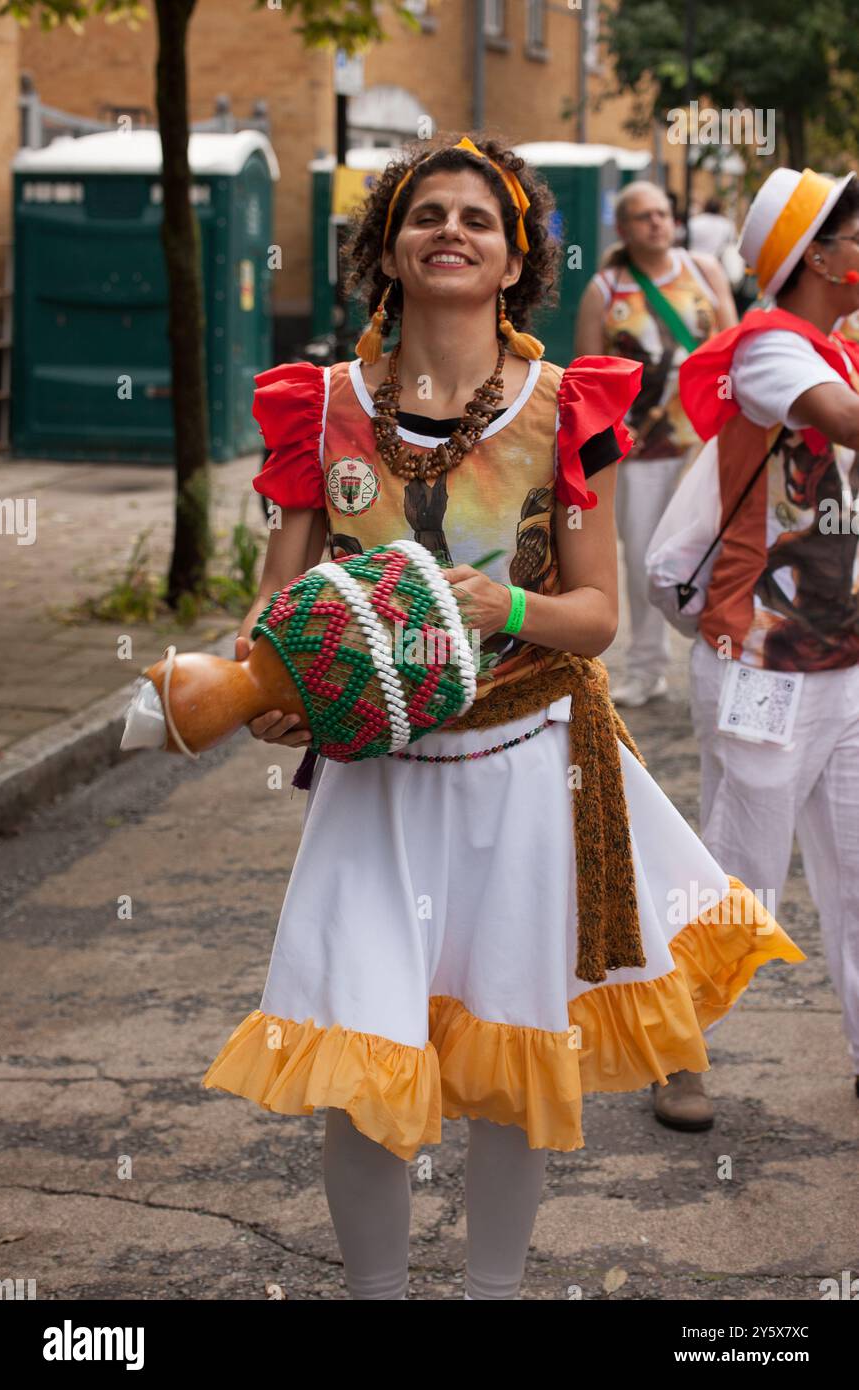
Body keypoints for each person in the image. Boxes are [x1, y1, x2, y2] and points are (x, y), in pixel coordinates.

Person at [201, 134, 803, 1300]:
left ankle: (492, 1293)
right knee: (363, 1048)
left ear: (513, 253)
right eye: (425, 214)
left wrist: (507, 599)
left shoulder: (564, 402)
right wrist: (272, 685)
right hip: (376, 783)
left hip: (526, 770)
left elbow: (593, 618)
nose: (450, 233)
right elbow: (272, 611)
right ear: (386, 245)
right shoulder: (320, 406)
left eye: (478, 219)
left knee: (508, 1055)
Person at [672, 165, 859, 1112]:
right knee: (741, 866)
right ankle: (677, 1050)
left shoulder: (836, 347)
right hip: (762, 661)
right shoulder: (771, 350)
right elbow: (847, 426)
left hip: (845, 663)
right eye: (856, 236)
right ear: (818, 257)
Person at [575, 180, 737, 708]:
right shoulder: (607, 287)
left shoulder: (704, 271)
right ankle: (646, 667)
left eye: (664, 213)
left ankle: (719, 657)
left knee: (719, 547)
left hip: (706, 441)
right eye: (644, 216)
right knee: (647, 557)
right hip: (642, 450)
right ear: (623, 227)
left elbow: (734, 345)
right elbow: (587, 375)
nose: (657, 223)